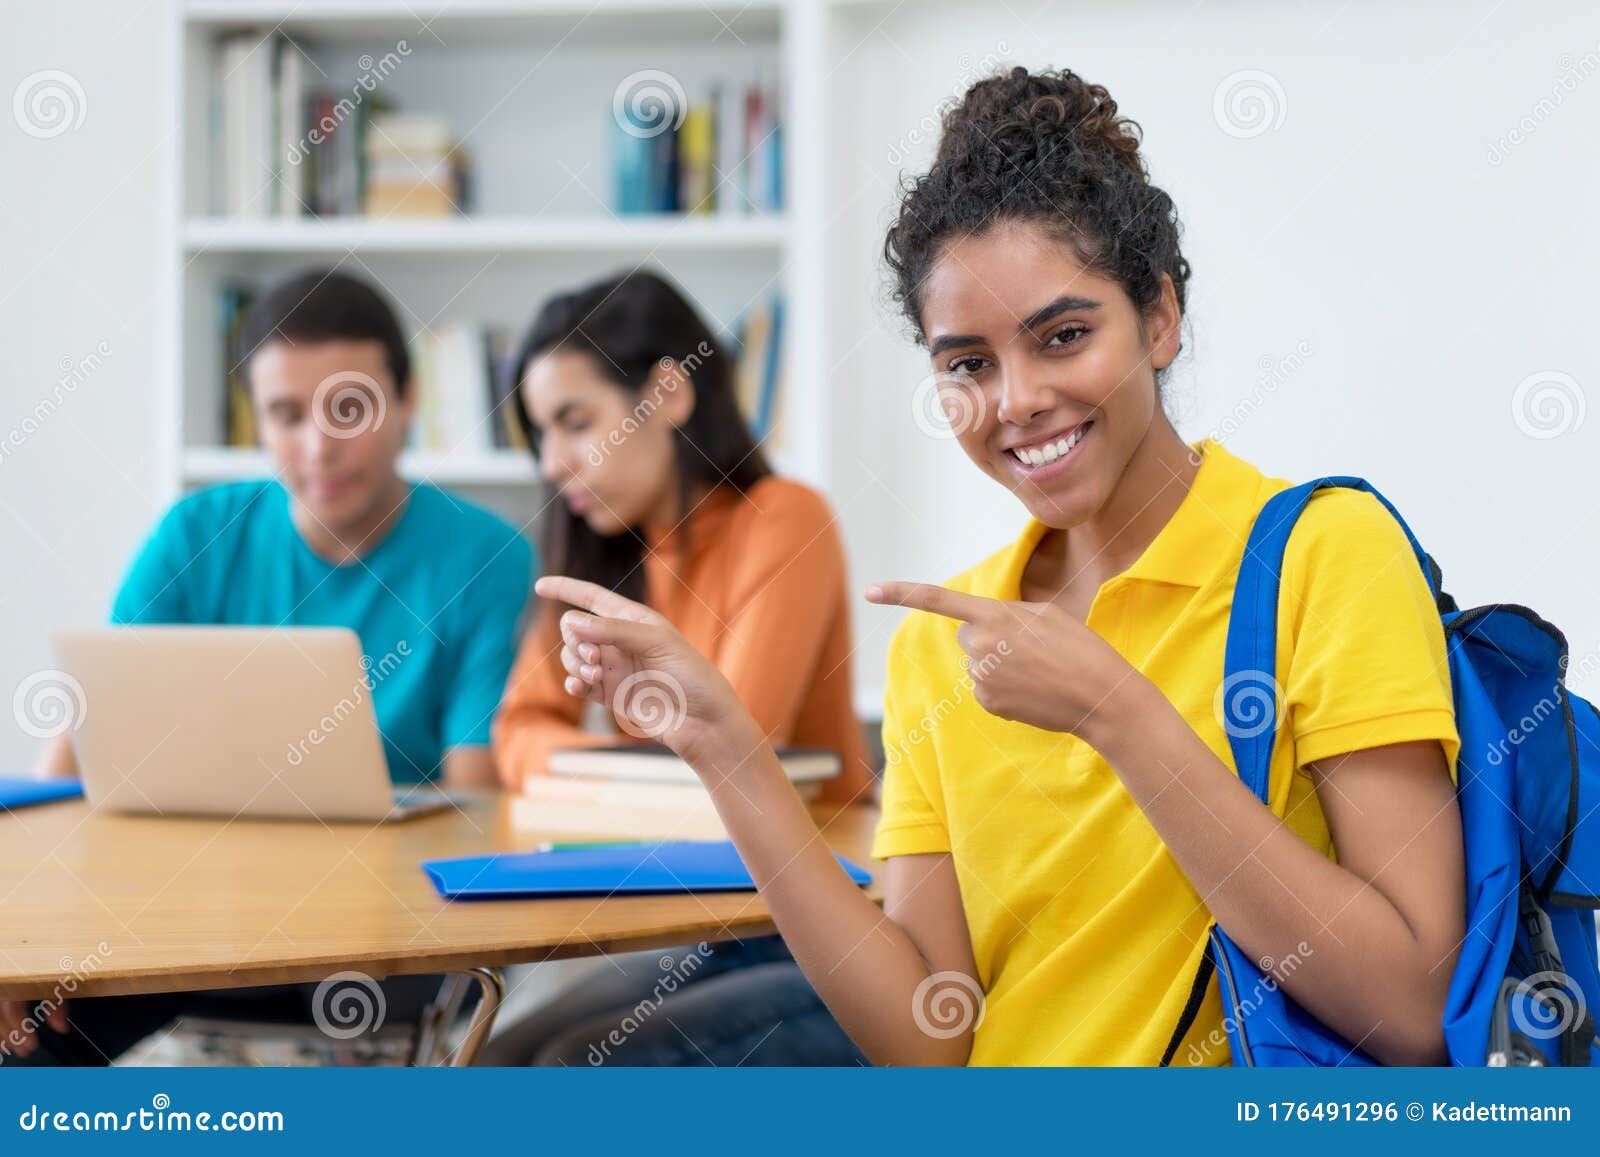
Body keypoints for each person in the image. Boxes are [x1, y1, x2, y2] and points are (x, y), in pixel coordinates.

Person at [529, 68, 1466, 1066]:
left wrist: (1119, 713)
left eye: (1063, 336)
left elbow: (1412, 1007)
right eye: (967, 363)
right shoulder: (948, 639)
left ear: (1158, 317)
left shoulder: (1327, 553)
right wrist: (729, 753)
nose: (1016, 400)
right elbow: (932, 1041)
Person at [7, 268, 534, 1066]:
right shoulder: (194, 535)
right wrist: (23, 938)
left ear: (407, 401)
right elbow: (76, 761)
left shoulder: (488, 556)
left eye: (349, 409)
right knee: (26, 1040)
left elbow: (477, 798)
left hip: (387, 942)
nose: (319, 445)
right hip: (183, 924)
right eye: (287, 414)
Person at [479, 269, 872, 1066]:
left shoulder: (784, 519)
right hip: (695, 915)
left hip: (811, 920)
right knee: (494, 1055)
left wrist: (586, 774)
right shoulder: (605, 554)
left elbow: (731, 747)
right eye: (540, 434)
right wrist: (622, 768)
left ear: (667, 395)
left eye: (575, 421)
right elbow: (517, 729)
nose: (553, 461)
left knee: (568, 1065)